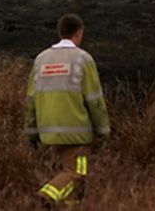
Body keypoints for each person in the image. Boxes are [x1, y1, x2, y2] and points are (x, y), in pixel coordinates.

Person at [24, 13, 110, 207]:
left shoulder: (40, 60)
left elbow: (31, 102)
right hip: (77, 137)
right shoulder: (83, 59)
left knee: (74, 190)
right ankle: (45, 197)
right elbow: (95, 101)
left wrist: (31, 135)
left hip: (47, 135)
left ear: (60, 32)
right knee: (77, 175)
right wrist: (103, 132)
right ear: (79, 33)